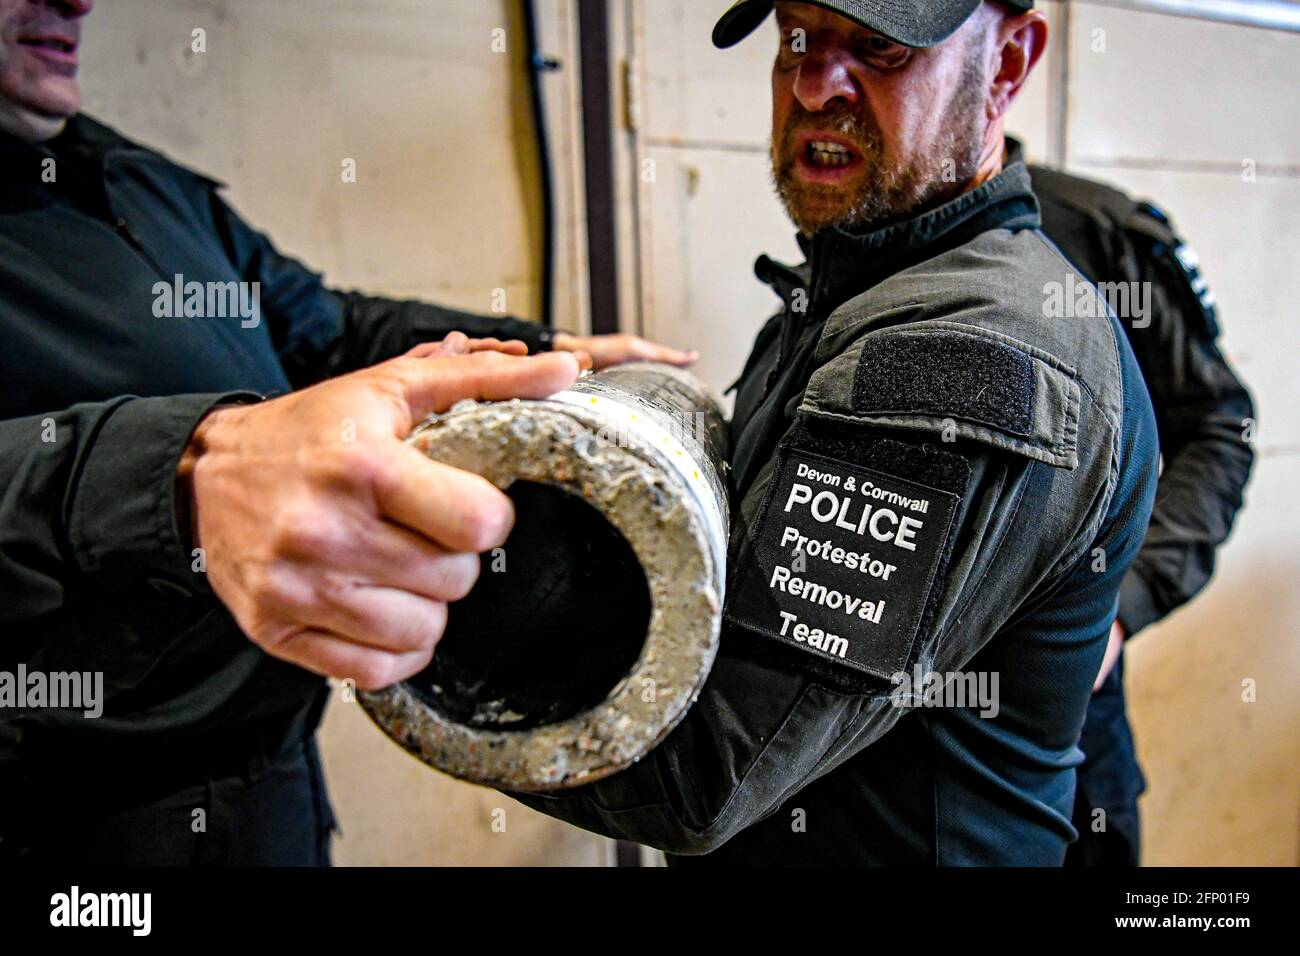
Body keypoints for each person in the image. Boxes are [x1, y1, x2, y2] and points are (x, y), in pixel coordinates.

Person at [0, 0, 691, 864]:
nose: (76, 1)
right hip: (70, 819)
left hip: (267, 779)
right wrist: (187, 471)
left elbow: (323, 328)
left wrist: (545, 348)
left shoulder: (127, 174)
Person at [510, 0, 1160, 865]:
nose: (814, 87)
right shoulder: (858, 290)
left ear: (1006, 65)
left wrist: (412, 603)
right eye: (795, 38)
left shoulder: (964, 353)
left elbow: (703, 767)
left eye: (880, 48)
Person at [1013, 141, 1256, 866]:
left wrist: (1121, 608)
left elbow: (1216, 430)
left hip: (1063, 731)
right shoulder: (849, 242)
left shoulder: (1096, 229)